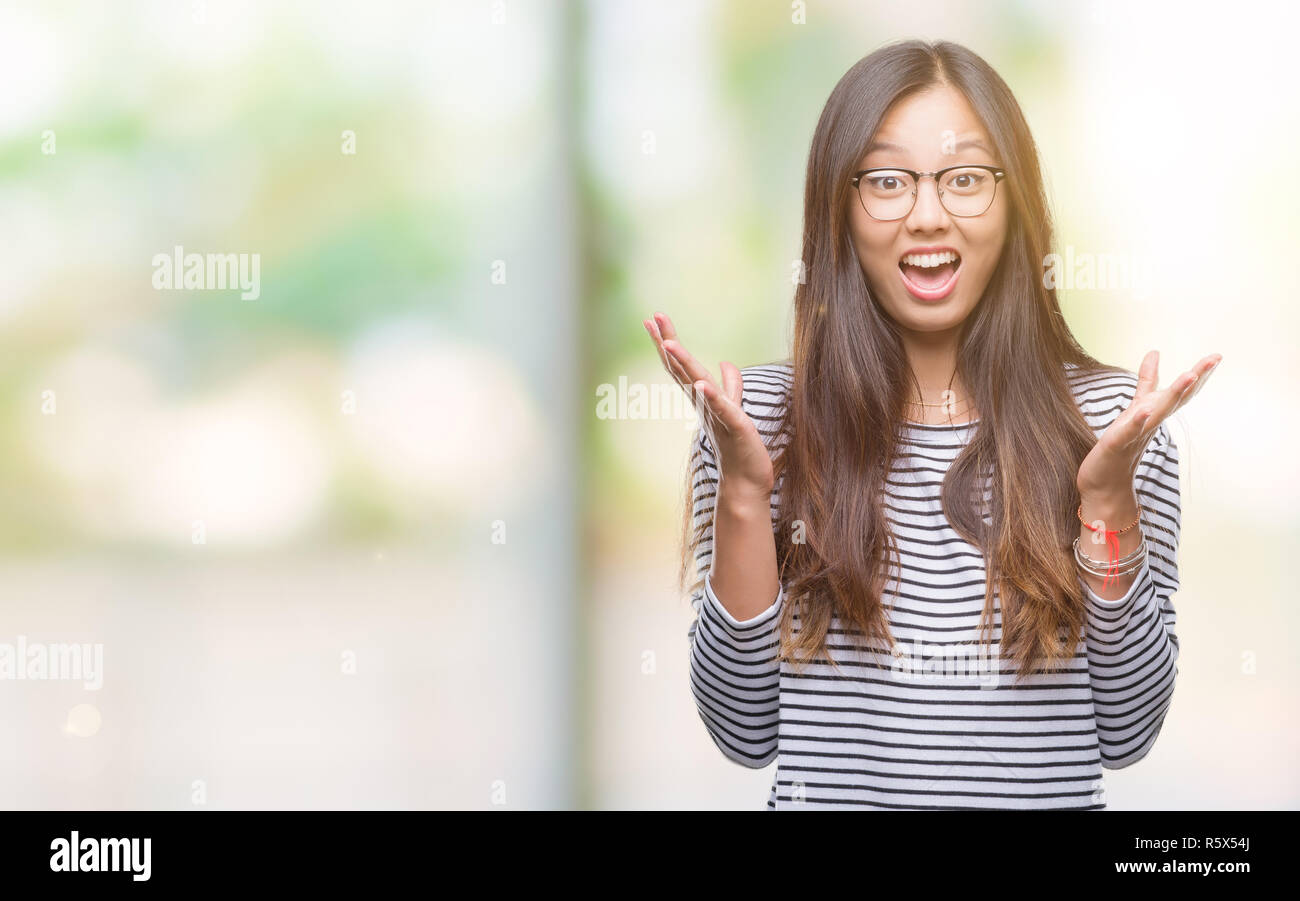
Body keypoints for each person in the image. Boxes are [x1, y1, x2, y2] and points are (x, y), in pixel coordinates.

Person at [643, 39, 1220, 810]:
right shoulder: (758, 423)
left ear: (1015, 203)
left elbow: (1129, 730)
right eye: (886, 180)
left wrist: (1107, 511)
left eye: (965, 179)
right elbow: (743, 733)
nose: (927, 214)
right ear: (838, 207)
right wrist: (746, 496)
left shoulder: (1112, 425)